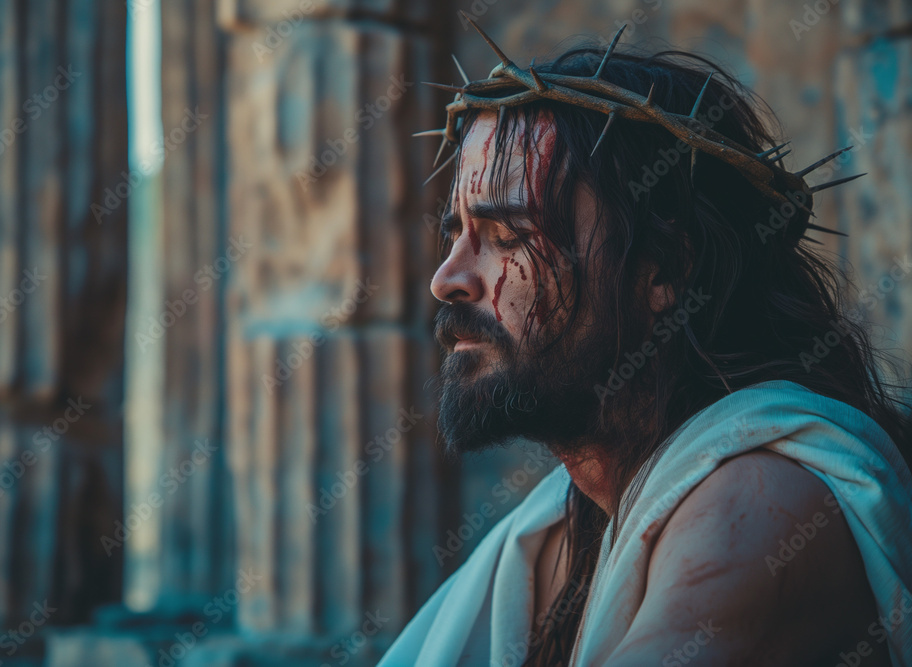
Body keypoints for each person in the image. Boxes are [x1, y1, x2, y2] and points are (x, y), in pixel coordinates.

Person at [379, 16, 912, 667]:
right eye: (455, 233)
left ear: (662, 268)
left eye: (508, 235)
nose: (446, 280)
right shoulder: (563, 533)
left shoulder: (761, 506)